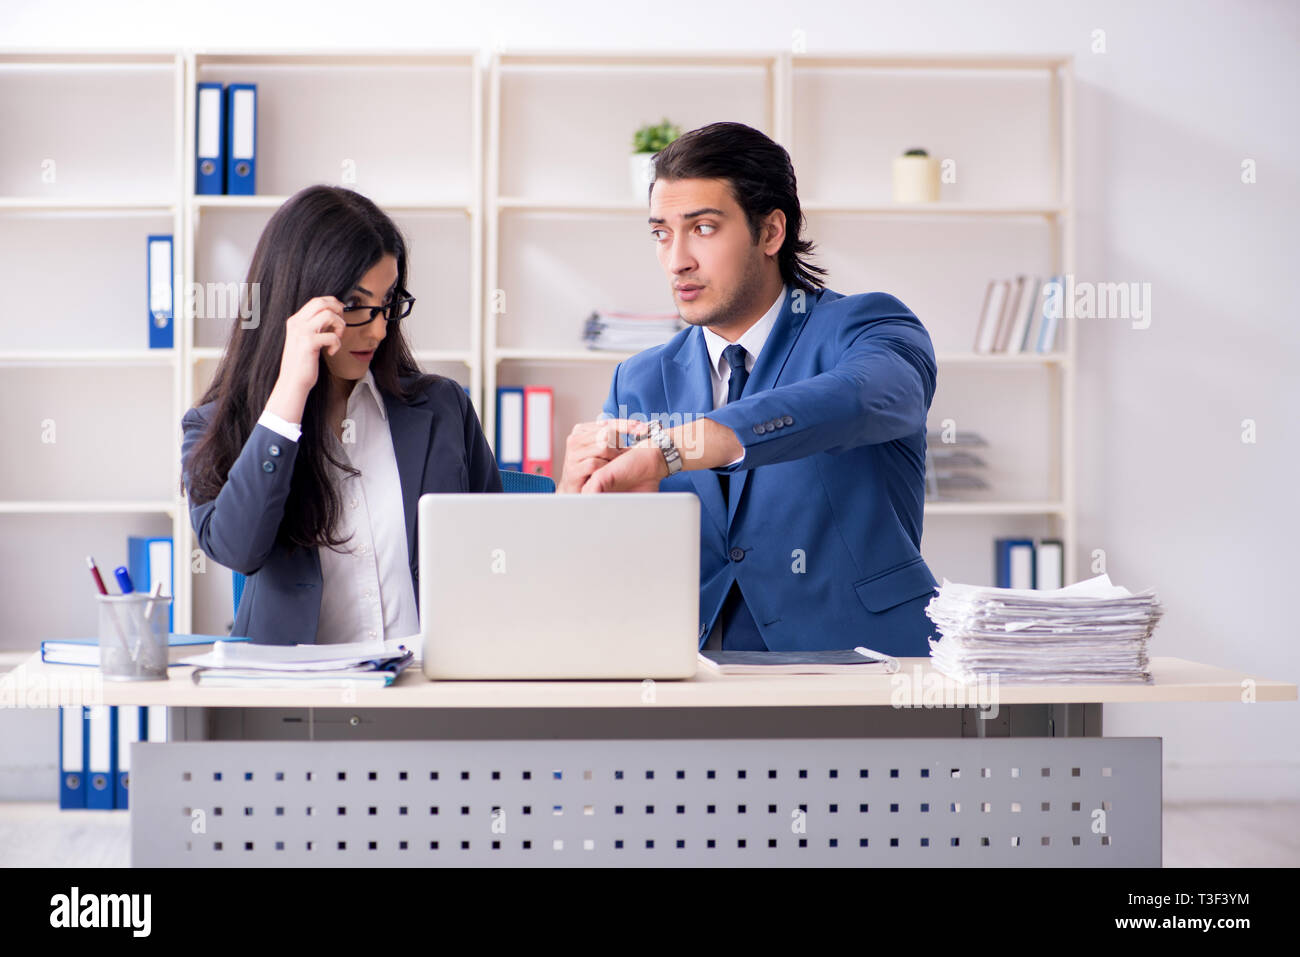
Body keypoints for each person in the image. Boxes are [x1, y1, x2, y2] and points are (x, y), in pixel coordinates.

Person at [558, 122, 939, 657]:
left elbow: (863, 397)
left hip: (862, 672)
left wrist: (684, 446)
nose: (677, 260)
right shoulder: (639, 379)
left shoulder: (866, 327)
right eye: (661, 233)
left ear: (770, 232)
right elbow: (610, 568)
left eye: (704, 228)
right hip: (689, 683)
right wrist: (575, 503)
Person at [181, 185, 500, 645]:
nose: (378, 327)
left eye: (387, 301)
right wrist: (291, 388)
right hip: (299, 698)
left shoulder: (442, 407)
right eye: (353, 305)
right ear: (295, 303)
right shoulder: (214, 425)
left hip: (428, 690)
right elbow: (237, 548)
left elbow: (494, 548)